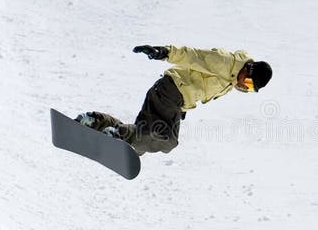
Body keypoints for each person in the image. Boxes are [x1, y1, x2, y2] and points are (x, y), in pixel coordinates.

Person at [76, 44, 273, 157]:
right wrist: (164, 52)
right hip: (171, 91)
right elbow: (192, 56)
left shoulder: (232, 79)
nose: (243, 87)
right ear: (248, 69)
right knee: (165, 140)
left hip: (174, 100)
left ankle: (95, 122)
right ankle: (116, 133)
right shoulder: (225, 62)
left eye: (248, 89)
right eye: (247, 83)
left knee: (140, 144)